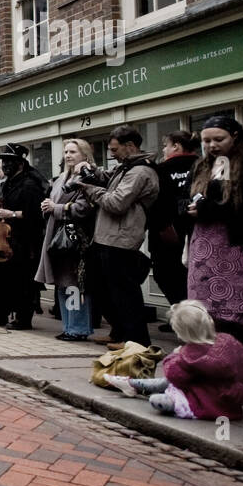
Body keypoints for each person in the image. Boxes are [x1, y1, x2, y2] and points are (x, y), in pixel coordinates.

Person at [185, 116, 243, 368]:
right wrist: (188, 208)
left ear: (235, 136)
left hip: (240, 246)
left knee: (239, 312)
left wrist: (210, 209)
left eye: (218, 139)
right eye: (206, 141)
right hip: (207, 247)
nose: (212, 145)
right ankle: (218, 362)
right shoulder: (203, 166)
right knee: (210, 312)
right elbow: (190, 197)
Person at [75, 125, 159, 349]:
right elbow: (108, 179)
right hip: (105, 236)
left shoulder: (141, 171)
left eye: (114, 149)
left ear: (130, 146)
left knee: (124, 291)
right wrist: (91, 171)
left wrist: (89, 189)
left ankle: (136, 340)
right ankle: (118, 331)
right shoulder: (126, 167)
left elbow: (116, 203)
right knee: (99, 287)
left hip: (121, 238)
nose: (111, 153)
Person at [104, 301, 243, 420]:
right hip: (231, 401)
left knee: (157, 399)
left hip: (206, 402)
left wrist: (175, 355)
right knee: (167, 385)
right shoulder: (229, 341)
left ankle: (131, 384)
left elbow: (174, 377)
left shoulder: (189, 353)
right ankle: (131, 384)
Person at [36, 139, 98, 340]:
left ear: (84, 154)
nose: (68, 155)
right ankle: (68, 325)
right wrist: (48, 205)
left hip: (76, 238)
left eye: (73, 151)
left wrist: (57, 208)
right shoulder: (61, 177)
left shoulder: (88, 176)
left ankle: (78, 328)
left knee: (74, 284)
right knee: (63, 284)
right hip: (56, 236)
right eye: (66, 152)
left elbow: (85, 208)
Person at [0, 143, 47, 329]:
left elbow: (35, 215)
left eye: (9, 161)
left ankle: (23, 318)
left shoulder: (29, 185)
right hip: (4, 240)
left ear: (20, 163)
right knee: (0, 280)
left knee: (22, 281)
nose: (5, 165)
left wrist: (11, 214)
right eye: (3, 161)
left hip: (23, 242)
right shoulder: (7, 185)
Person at [149, 129, 199, 313]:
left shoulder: (161, 169)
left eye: (165, 146)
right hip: (197, 233)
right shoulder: (201, 165)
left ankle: (183, 316)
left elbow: (155, 203)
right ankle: (192, 318)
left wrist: (162, 227)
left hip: (166, 235)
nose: (163, 150)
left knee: (166, 276)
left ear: (176, 146)